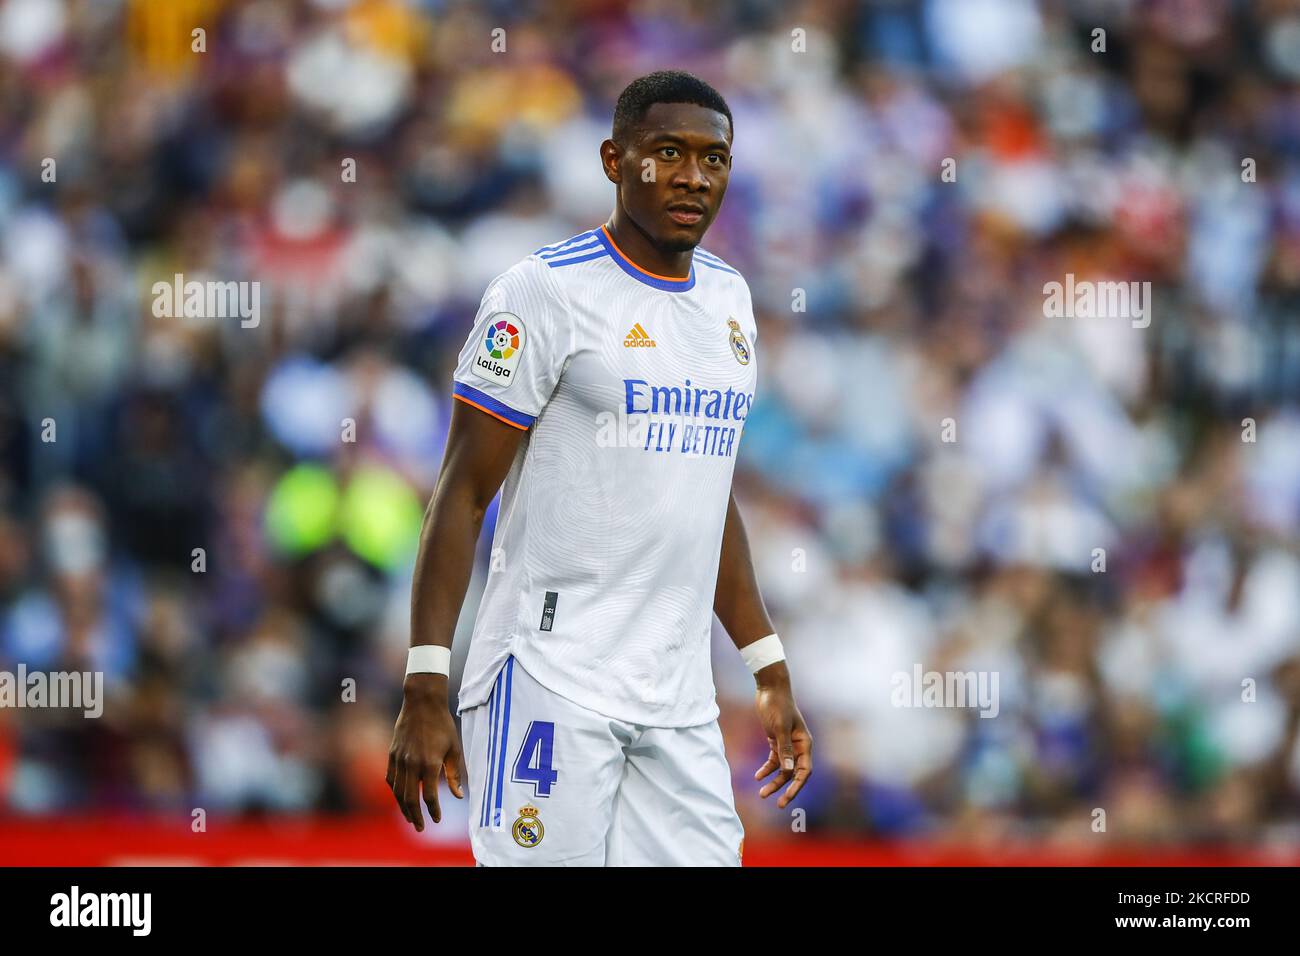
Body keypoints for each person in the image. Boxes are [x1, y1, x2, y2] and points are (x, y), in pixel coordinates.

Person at [387, 70, 812, 866]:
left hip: (677, 697)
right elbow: (461, 492)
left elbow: (702, 489)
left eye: (714, 158)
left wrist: (766, 663)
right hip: (551, 676)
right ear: (615, 161)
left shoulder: (729, 301)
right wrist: (423, 683)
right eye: (668, 153)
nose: (693, 176)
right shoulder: (541, 293)